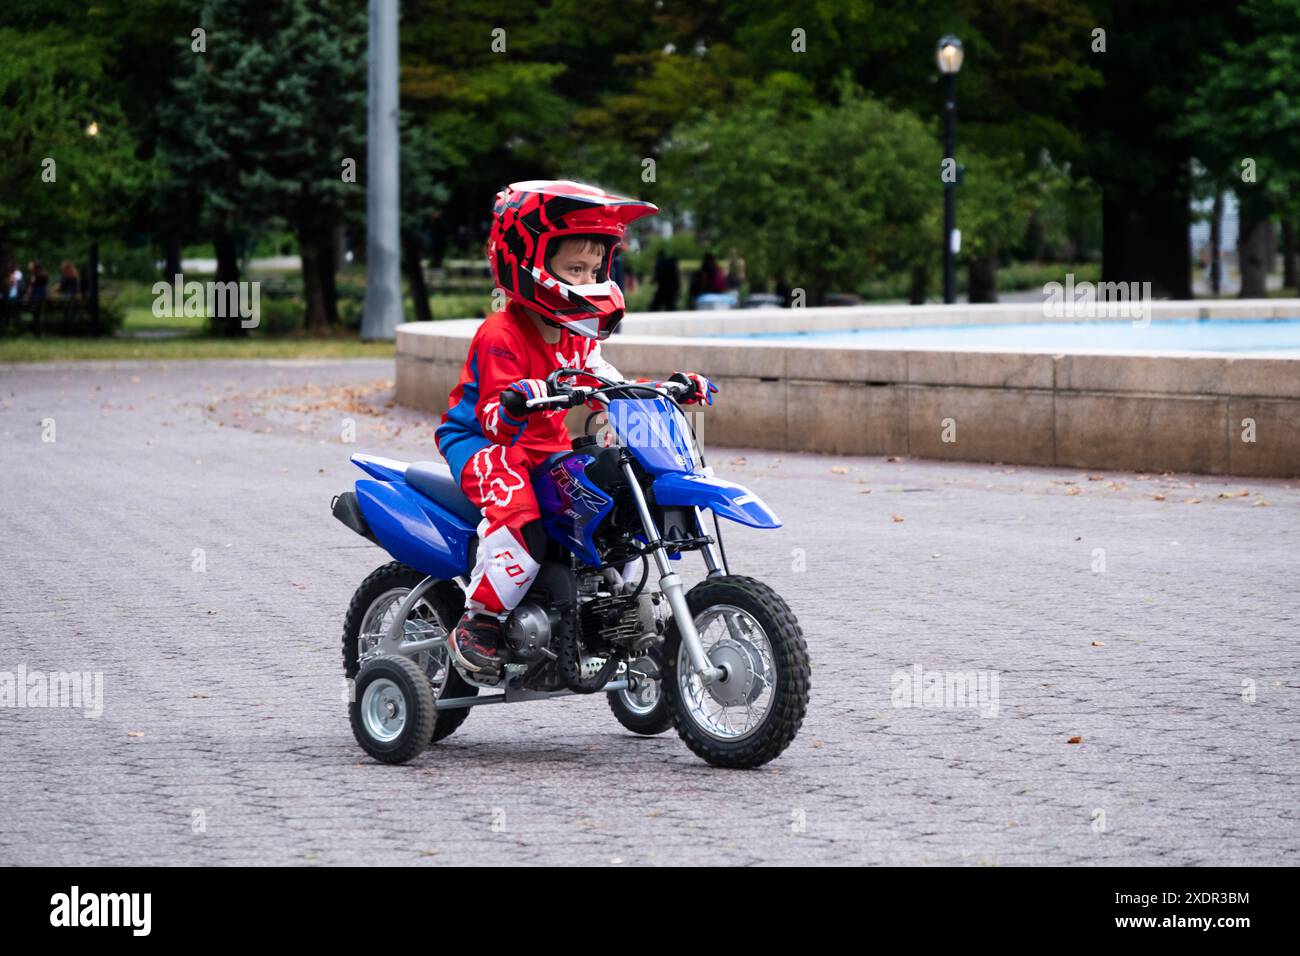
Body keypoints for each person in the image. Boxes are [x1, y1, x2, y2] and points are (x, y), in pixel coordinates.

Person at [434, 180, 717, 679]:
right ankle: (481, 621)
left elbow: (608, 382)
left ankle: (611, 620)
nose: (587, 280)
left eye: (594, 270)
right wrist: (522, 399)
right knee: (522, 525)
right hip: (485, 444)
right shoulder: (500, 333)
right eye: (573, 269)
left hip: (544, 446)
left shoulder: (574, 332)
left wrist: (665, 388)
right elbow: (496, 421)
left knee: (615, 513)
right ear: (529, 262)